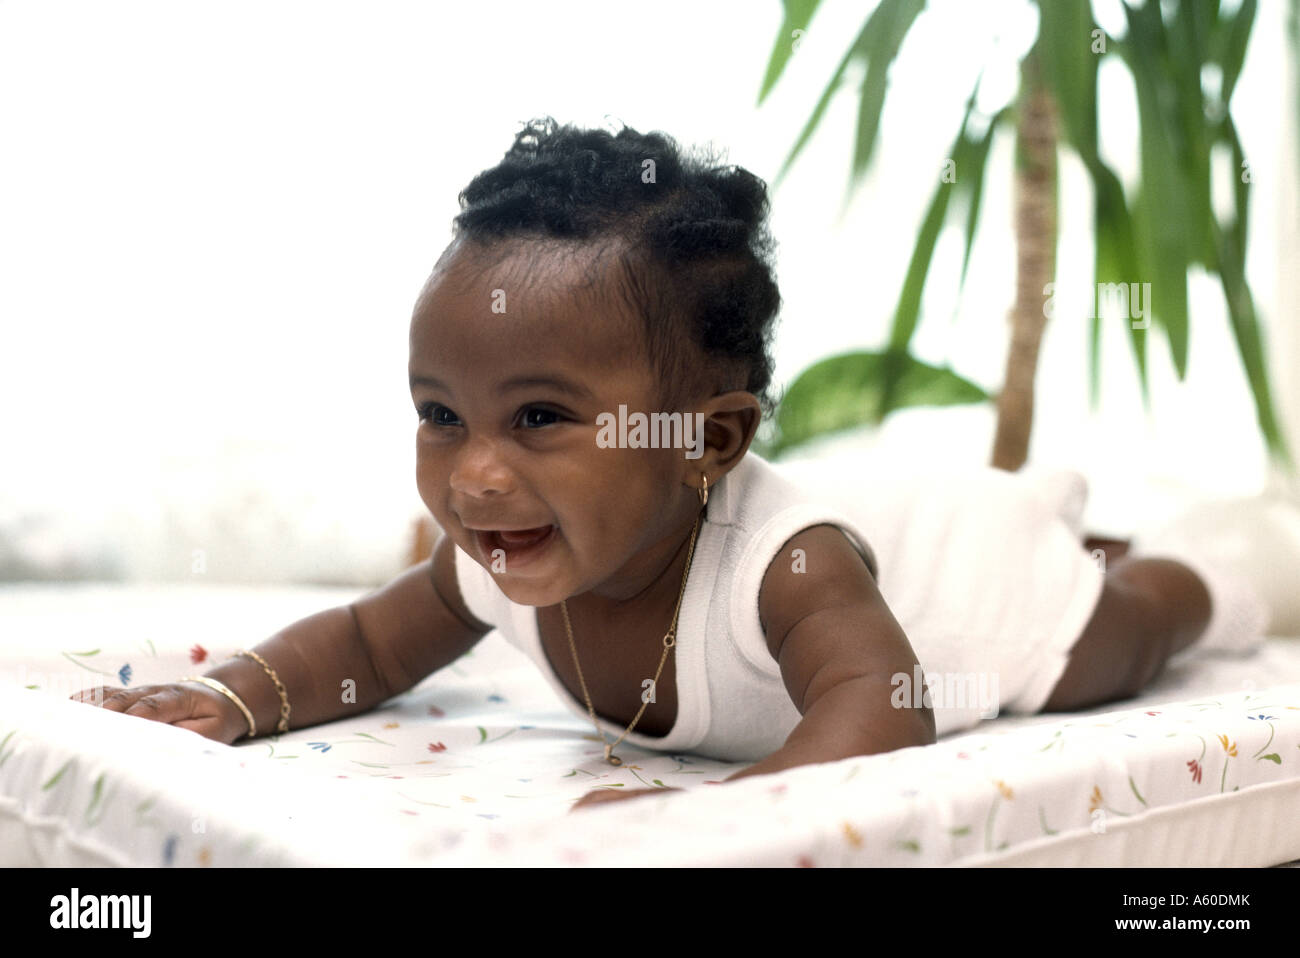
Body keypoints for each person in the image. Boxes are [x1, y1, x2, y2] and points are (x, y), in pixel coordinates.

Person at [72, 116, 1269, 813]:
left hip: (974, 583)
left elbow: (879, 706)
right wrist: (241, 691)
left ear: (709, 442)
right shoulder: (496, 554)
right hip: (894, 521)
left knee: (1126, 629)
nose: (475, 478)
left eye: (539, 418)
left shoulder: (783, 570)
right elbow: (370, 643)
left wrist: (724, 819)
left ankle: (1218, 560)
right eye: (441, 413)